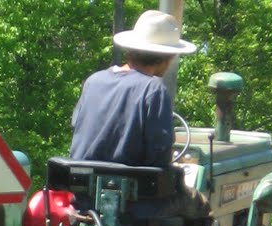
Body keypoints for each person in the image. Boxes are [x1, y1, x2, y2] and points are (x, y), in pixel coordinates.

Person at [70, 9, 196, 167]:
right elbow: (160, 154)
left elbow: (78, 128)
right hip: (127, 188)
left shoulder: (93, 81)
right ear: (168, 56)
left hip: (78, 184)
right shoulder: (153, 90)